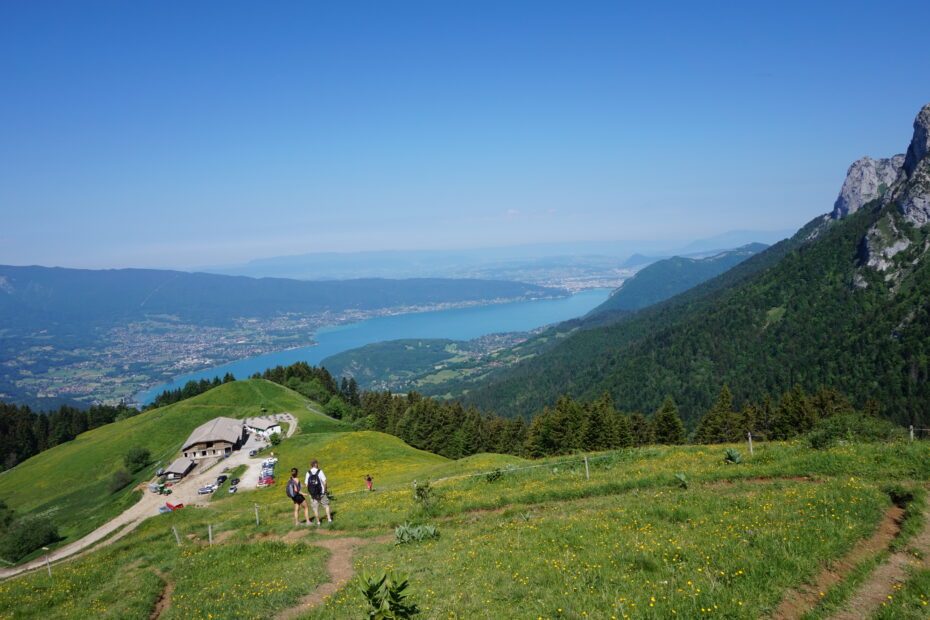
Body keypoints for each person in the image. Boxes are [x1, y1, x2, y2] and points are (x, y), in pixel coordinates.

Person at [305, 459, 332, 525]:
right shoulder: (320, 471)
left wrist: (310, 492)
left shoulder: (308, 473)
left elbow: (307, 485)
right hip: (321, 492)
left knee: (315, 508)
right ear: (315, 464)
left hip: (313, 494)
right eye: (317, 463)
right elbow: (325, 482)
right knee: (326, 506)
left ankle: (318, 522)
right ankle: (329, 520)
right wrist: (325, 490)